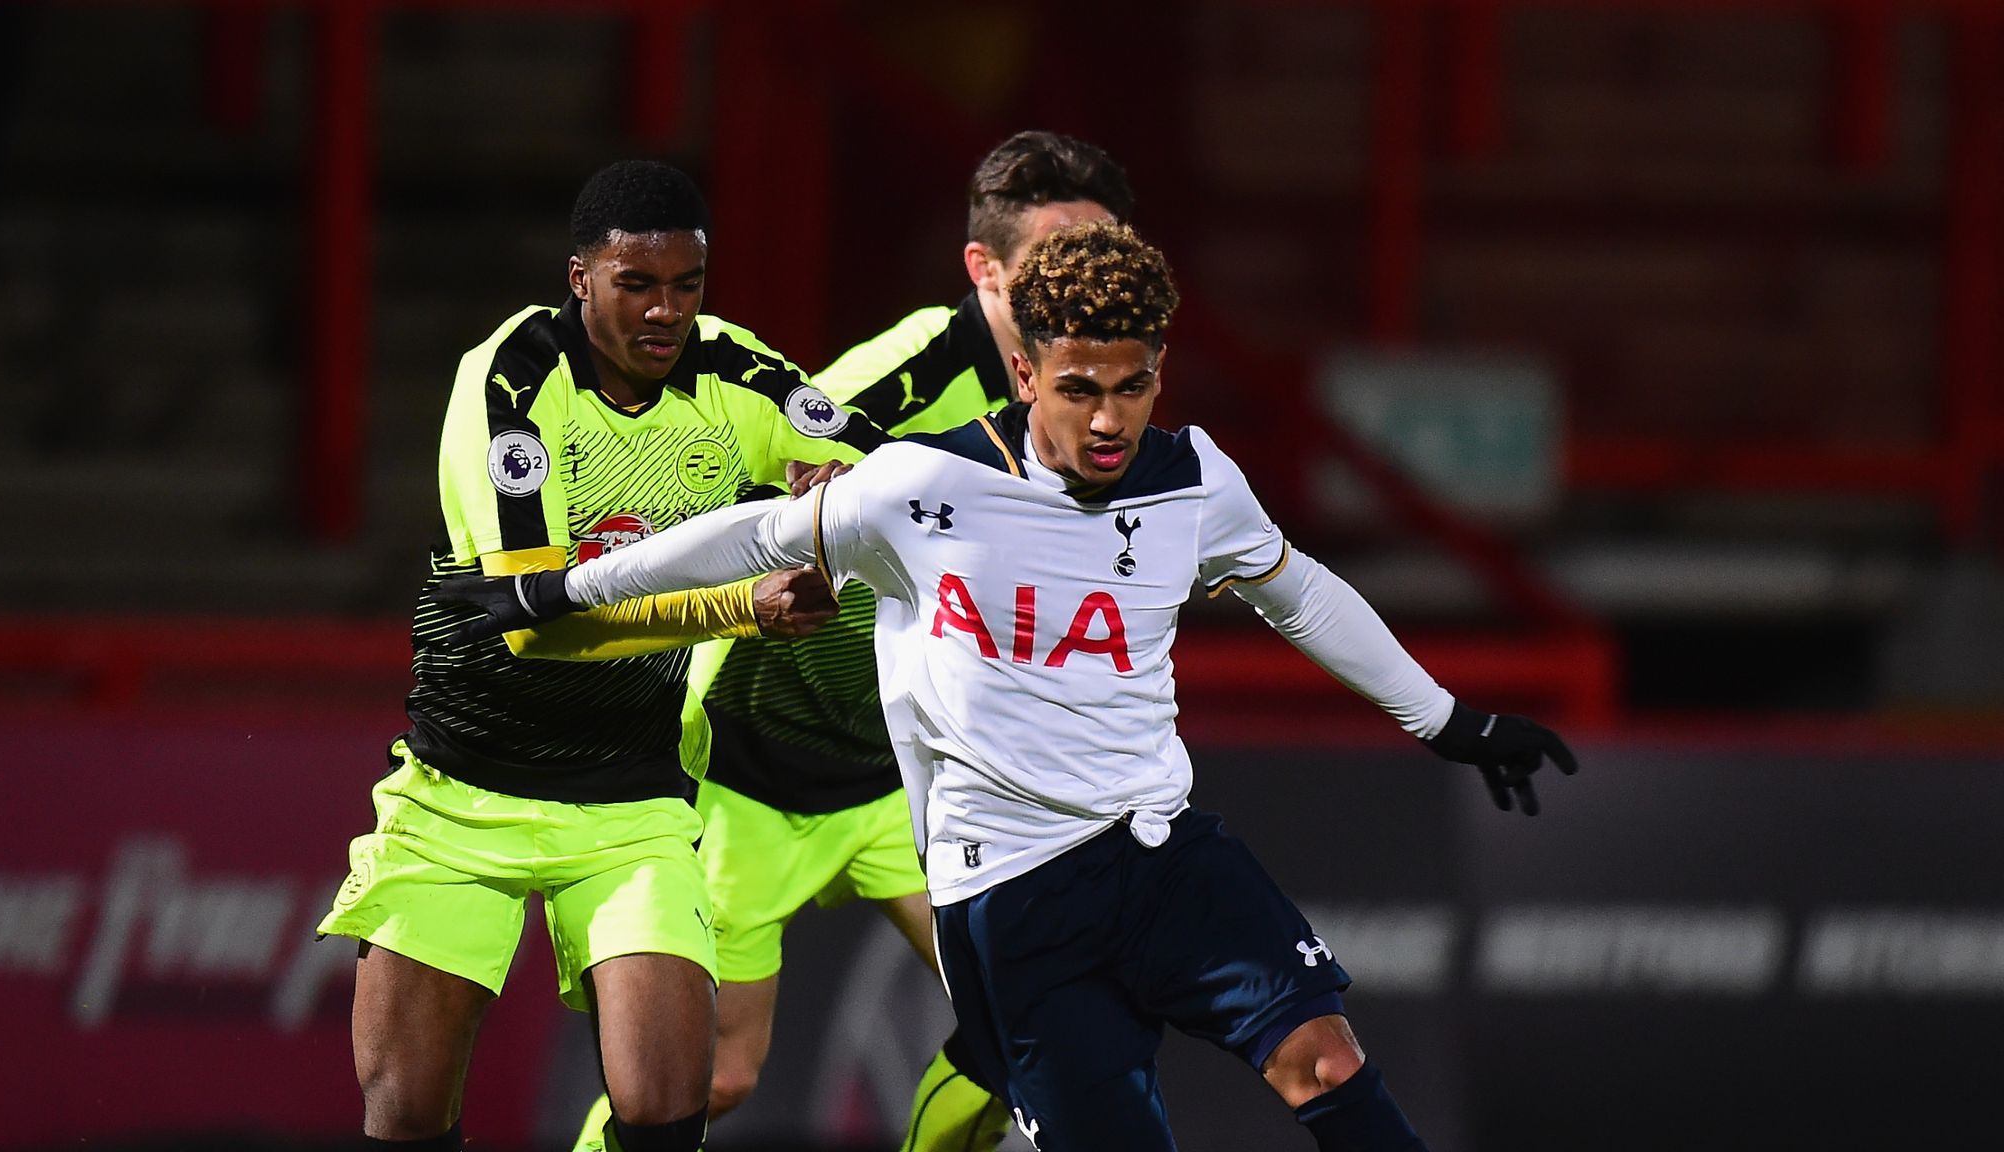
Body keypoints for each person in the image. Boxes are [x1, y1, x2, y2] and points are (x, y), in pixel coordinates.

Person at [439, 221, 1579, 1151]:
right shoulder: (923, 488)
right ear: (1026, 371)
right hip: (1013, 895)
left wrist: (1448, 721)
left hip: (1165, 853)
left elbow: (1300, 591)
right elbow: (746, 536)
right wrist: (559, 591)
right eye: (1079, 388)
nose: (1108, 420)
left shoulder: (1193, 479)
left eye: (1133, 387)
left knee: (1324, 1060)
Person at [569, 129, 1133, 1152]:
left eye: (1097, 256)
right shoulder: (903, 377)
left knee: (1046, 1016)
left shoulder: (1091, 396)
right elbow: (741, 488)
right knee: (713, 1075)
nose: (1079, 283)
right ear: (984, 269)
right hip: (753, 767)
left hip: (904, 779)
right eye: (1054, 258)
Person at [316, 159, 884, 1152]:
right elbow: (535, 625)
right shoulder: (510, 381)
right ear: (579, 278)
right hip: (462, 793)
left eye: (687, 285)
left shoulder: (738, 372)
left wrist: (839, 496)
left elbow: (880, 475)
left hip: (631, 802)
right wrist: (738, 607)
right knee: (405, 1120)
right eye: (637, 285)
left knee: (667, 1112)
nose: (666, 312)